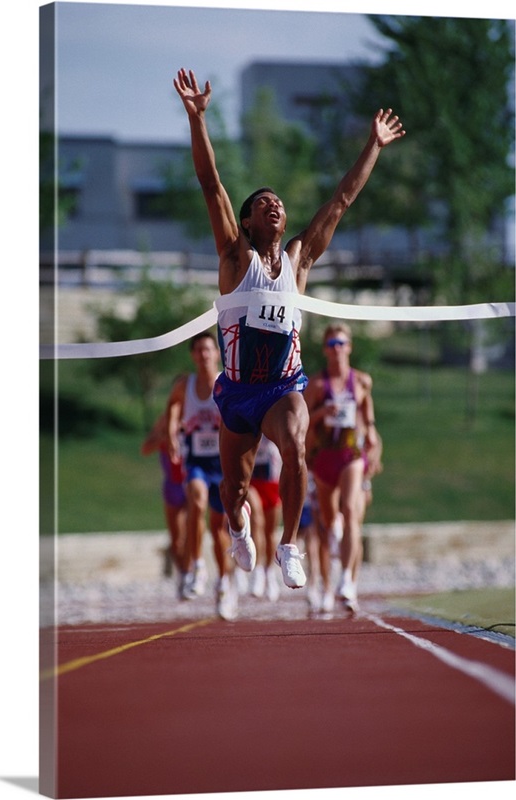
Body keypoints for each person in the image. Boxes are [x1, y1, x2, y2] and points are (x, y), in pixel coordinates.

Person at [173, 67, 405, 592]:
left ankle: (289, 545)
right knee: (233, 494)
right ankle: (238, 527)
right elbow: (210, 184)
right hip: (236, 394)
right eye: (261, 203)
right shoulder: (236, 257)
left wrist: (373, 143)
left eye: (277, 201)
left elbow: (342, 201)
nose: (273, 205)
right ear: (250, 223)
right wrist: (197, 119)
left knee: (297, 445)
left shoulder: (299, 259)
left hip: (283, 387)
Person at [304, 322, 382, 612]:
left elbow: (367, 413)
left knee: (351, 510)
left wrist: (372, 433)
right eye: (332, 344)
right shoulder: (316, 385)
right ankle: (329, 580)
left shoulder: (361, 381)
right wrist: (323, 412)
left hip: (351, 455)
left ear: (349, 347)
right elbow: (304, 422)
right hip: (324, 457)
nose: (337, 349)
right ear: (325, 349)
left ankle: (347, 580)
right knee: (328, 522)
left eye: (342, 343)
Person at [163, 330, 238, 620]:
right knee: (196, 500)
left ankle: (224, 583)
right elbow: (172, 406)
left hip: (223, 464)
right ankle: (197, 566)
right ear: (193, 356)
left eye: (209, 350)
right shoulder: (186, 385)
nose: (204, 355)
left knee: (219, 529)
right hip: (195, 460)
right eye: (199, 351)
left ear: (217, 354)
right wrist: (172, 432)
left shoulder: (226, 383)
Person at [141, 405, 187, 579]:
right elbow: (145, 448)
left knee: (192, 528)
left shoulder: (196, 415)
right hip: (173, 484)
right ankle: (182, 572)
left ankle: (189, 573)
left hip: (193, 480)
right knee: (177, 537)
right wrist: (164, 437)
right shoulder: (164, 421)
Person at [247, 434, 282, 601]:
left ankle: (270, 573)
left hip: (272, 481)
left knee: (270, 532)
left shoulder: (272, 420)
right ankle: (258, 571)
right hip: (252, 481)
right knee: (257, 523)